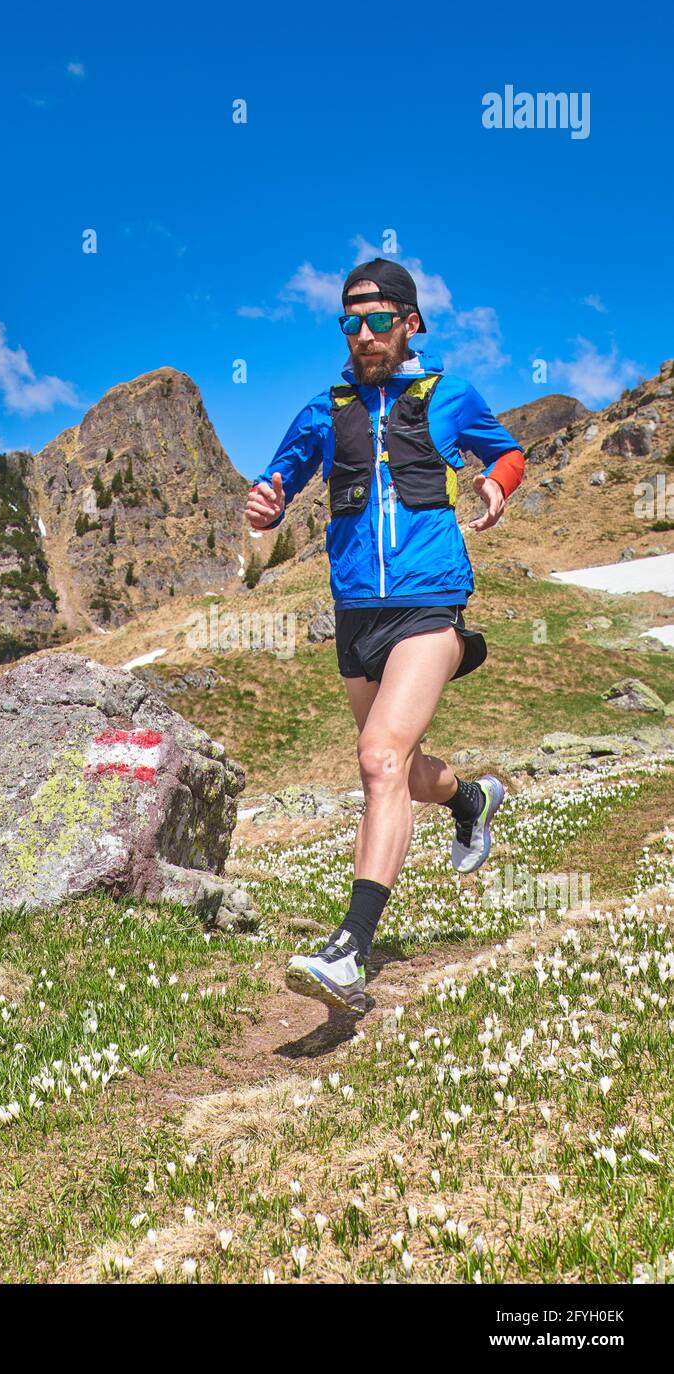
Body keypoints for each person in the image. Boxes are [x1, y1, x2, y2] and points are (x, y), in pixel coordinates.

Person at [244, 258, 525, 1014]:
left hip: (430, 598)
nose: (363, 335)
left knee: (377, 759)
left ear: (410, 323)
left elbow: (507, 450)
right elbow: (278, 485)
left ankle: (351, 950)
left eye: (377, 320)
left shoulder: (449, 395)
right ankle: (470, 799)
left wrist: (498, 484)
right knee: (396, 767)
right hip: (355, 612)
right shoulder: (321, 410)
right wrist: (265, 507)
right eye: (350, 322)